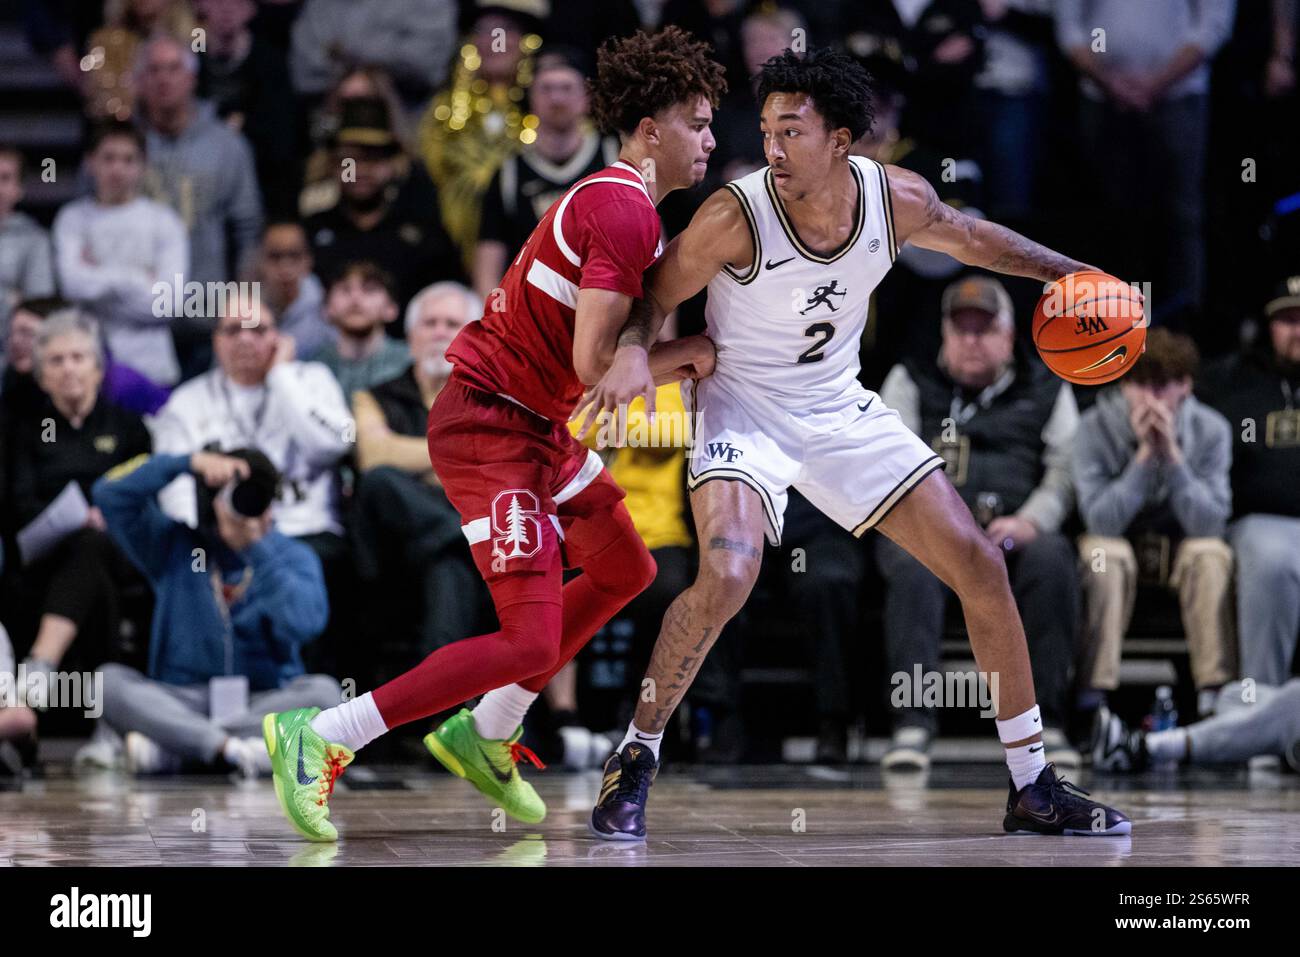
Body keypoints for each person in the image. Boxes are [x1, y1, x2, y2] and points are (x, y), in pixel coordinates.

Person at [580, 46, 1130, 840]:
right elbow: (654, 294)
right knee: (730, 574)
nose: (772, 146)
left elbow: (975, 239)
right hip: (743, 405)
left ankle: (1032, 781)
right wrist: (635, 344)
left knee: (979, 561)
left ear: (842, 140)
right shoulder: (734, 214)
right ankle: (637, 751)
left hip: (839, 408)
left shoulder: (893, 197)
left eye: (791, 130)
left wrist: (1072, 274)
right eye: (765, 129)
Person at [262, 27, 724, 843]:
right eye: (698, 121)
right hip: (489, 423)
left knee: (626, 565)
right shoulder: (620, 209)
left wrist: (662, 355)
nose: (712, 139)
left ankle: (486, 728)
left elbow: (593, 358)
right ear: (651, 129)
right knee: (528, 635)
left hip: (536, 422)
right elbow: (592, 360)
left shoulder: (627, 210)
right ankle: (326, 734)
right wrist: (694, 354)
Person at [877, 275, 1081, 769]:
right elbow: (884, 462)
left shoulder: (1047, 386)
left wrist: (1030, 521)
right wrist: (943, 528)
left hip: (1013, 532)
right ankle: (912, 723)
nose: (972, 340)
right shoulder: (910, 378)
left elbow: (1064, 473)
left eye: (984, 329)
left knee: (1054, 557)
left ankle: (1046, 720)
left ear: (1009, 336)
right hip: (929, 531)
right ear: (945, 333)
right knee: (911, 563)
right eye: (961, 328)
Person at [93, 448, 340, 776]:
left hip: (260, 699)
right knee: (105, 683)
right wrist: (188, 463)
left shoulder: (291, 555)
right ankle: (234, 750)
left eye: (257, 498)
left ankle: (183, 748)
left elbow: (306, 623)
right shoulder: (174, 545)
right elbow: (108, 494)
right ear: (213, 502)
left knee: (326, 694)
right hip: (180, 698)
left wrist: (255, 548)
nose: (250, 508)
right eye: (239, 497)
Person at [1073, 329, 1235, 719]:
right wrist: (1145, 457)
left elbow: (1210, 523)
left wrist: (1174, 458)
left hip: (1180, 550)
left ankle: (1214, 699)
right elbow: (1099, 520)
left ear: (1184, 386)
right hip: (1119, 546)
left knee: (1211, 555)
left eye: (1161, 386)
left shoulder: (1212, 430)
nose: (1150, 399)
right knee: (1100, 555)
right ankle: (1093, 699)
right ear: (1123, 384)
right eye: (1139, 385)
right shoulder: (1093, 427)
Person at [2, 311, 152, 710]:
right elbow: (17, 502)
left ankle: (40, 666)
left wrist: (111, 517)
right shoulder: (22, 429)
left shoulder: (128, 426)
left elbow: (145, 496)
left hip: (121, 548)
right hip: (43, 553)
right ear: (40, 375)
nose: (69, 368)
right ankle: (108, 721)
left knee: (94, 546)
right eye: (56, 360)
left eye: (78, 357)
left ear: (99, 368)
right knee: (91, 561)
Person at [349, 282, 486, 668]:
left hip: (444, 538)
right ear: (410, 337)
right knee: (381, 481)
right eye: (430, 322)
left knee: (447, 565)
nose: (440, 331)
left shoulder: (491, 399)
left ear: (474, 337)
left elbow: (493, 466)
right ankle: (470, 543)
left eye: (452, 323)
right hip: (392, 541)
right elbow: (374, 457)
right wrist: (455, 457)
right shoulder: (374, 396)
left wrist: (413, 458)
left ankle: (444, 706)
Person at [1197, 273, 1300, 687]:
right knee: (1275, 563)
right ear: (1266, 328)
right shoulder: (1229, 383)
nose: (1298, 331)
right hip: (1259, 520)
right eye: (1287, 320)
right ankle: (1263, 705)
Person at [472, 47, 619, 300]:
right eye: (547, 89)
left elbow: (654, 244)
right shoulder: (508, 174)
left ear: (586, 98)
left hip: (609, 310)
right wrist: (495, 327)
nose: (557, 98)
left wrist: (658, 332)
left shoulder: (616, 160)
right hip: (532, 319)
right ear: (531, 99)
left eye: (566, 88)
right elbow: (488, 264)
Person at [53, 120, 189, 387]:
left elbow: (168, 305)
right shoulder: (72, 218)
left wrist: (97, 275)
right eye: (109, 158)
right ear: (90, 162)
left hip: (153, 368)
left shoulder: (165, 221)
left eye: (128, 159)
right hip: (87, 369)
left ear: (143, 165)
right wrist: (141, 280)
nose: (118, 168)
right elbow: (72, 286)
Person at [313, 261, 411, 401]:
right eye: (345, 289)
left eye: (369, 290)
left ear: (391, 308)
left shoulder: (410, 363)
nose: (355, 298)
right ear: (327, 308)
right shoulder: (314, 368)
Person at [0, 146, 56, 374]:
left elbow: (36, 310)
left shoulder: (35, 240)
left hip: (11, 366)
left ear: (19, 189)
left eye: (4, 178)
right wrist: (9, 297)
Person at [253, 221, 332, 361]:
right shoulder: (243, 312)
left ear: (308, 260)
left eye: (294, 256)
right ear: (259, 261)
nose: (285, 267)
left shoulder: (329, 311)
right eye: (275, 256)